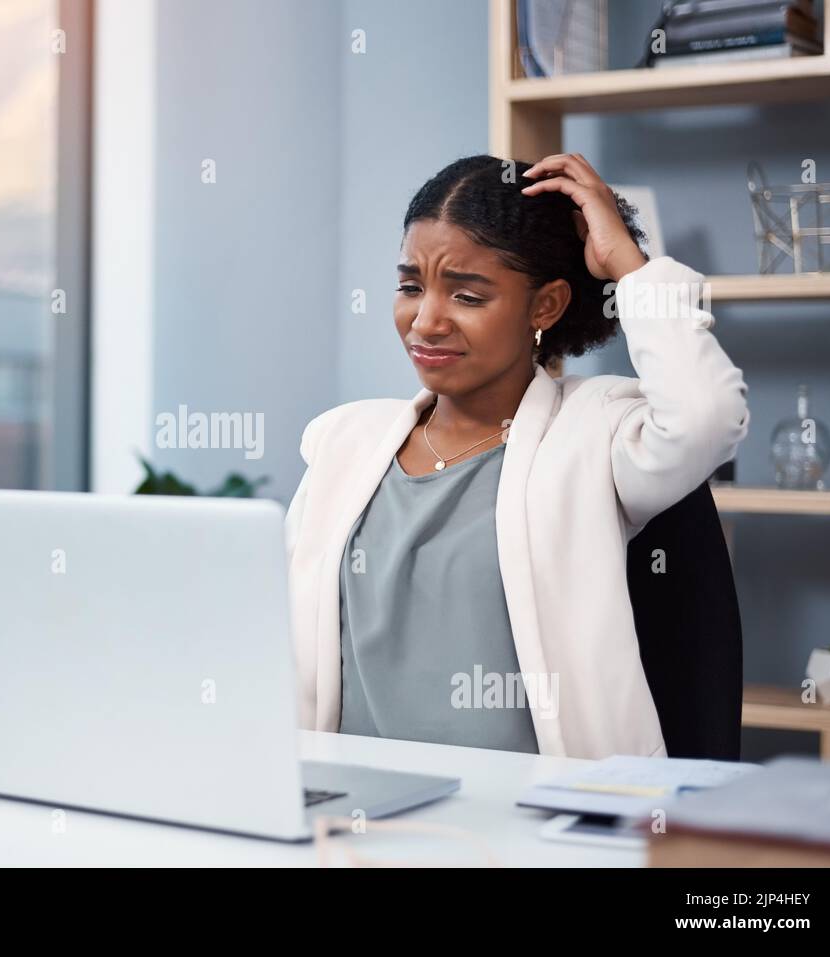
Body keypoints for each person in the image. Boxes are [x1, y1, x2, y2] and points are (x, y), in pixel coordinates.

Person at [284, 152, 750, 760]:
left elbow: (707, 417)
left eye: (468, 297)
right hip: (355, 817)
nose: (425, 321)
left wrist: (628, 267)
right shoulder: (341, 442)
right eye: (409, 286)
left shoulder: (595, 433)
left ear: (545, 306)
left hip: (528, 822)